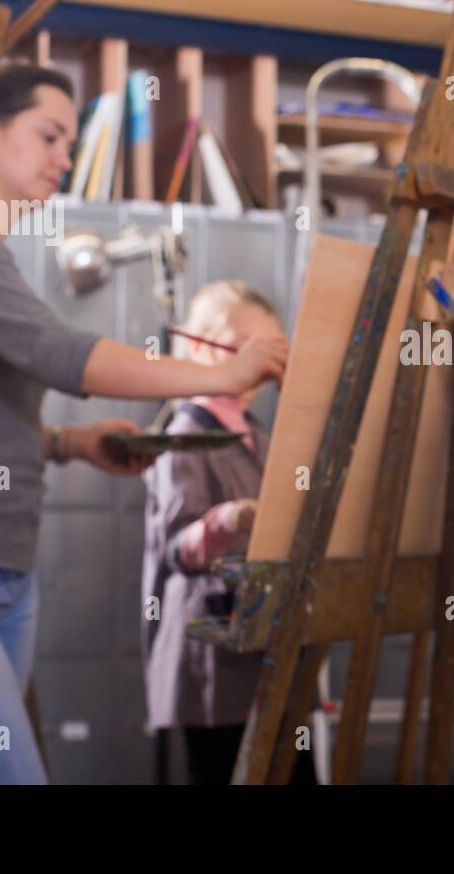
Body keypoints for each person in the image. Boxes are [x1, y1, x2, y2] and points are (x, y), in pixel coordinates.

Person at [0, 60, 287, 784]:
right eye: (48, 135)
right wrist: (224, 372)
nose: (65, 157)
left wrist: (70, 443)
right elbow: (61, 354)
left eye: (70, 141)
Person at [142, 279, 315, 785]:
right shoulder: (186, 434)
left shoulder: (255, 434)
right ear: (199, 346)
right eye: (247, 347)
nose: (261, 364)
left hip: (257, 648)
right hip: (211, 659)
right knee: (220, 769)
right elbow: (177, 548)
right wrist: (226, 520)